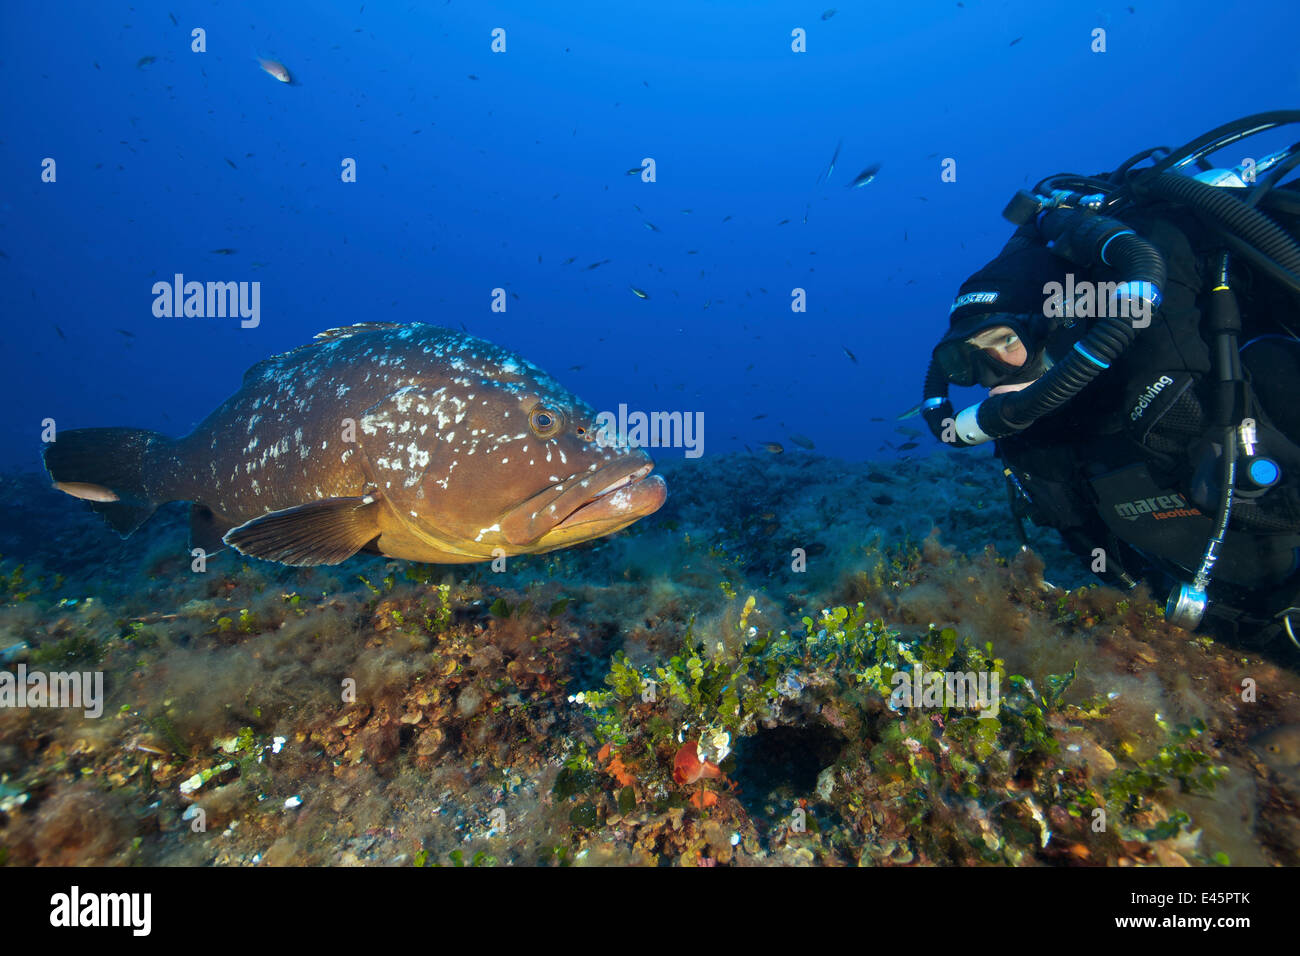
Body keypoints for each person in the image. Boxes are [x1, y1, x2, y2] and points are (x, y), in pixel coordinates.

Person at [915, 111, 1300, 647]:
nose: (991, 378)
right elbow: (1105, 560)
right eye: (968, 363)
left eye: (1007, 344)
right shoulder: (1040, 451)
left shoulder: (1207, 370)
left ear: (1067, 322)